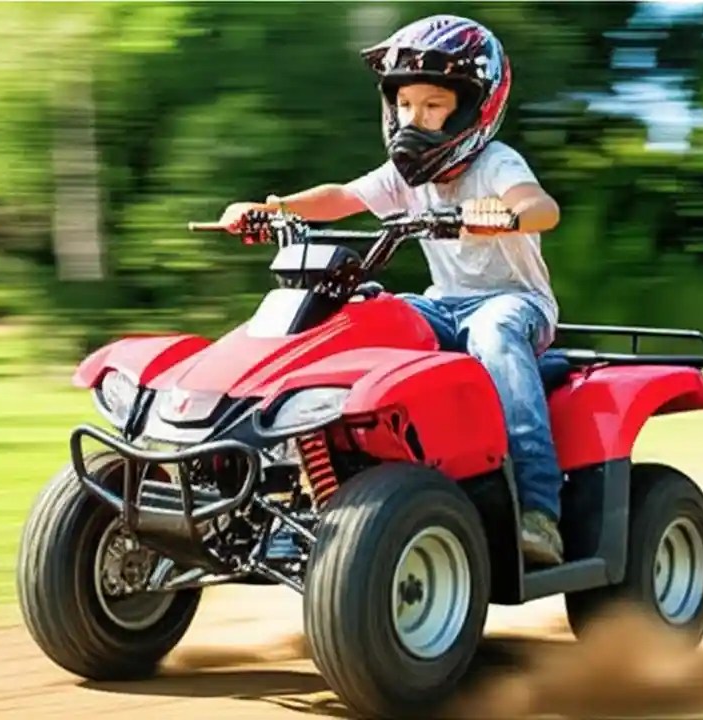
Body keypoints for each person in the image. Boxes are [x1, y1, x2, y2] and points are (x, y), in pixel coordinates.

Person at [217, 14, 566, 566]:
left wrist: (503, 214)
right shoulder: (408, 178)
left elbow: (542, 209)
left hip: (514, 303)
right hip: (444, 305)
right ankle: (313, 478)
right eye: (404, 105)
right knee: (371, 316)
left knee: (495, 334)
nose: (414, 118)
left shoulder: (496, 163)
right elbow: (339, 198)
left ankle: (539, 510)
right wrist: (273, 208)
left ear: (474, 107)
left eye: (432, 106)